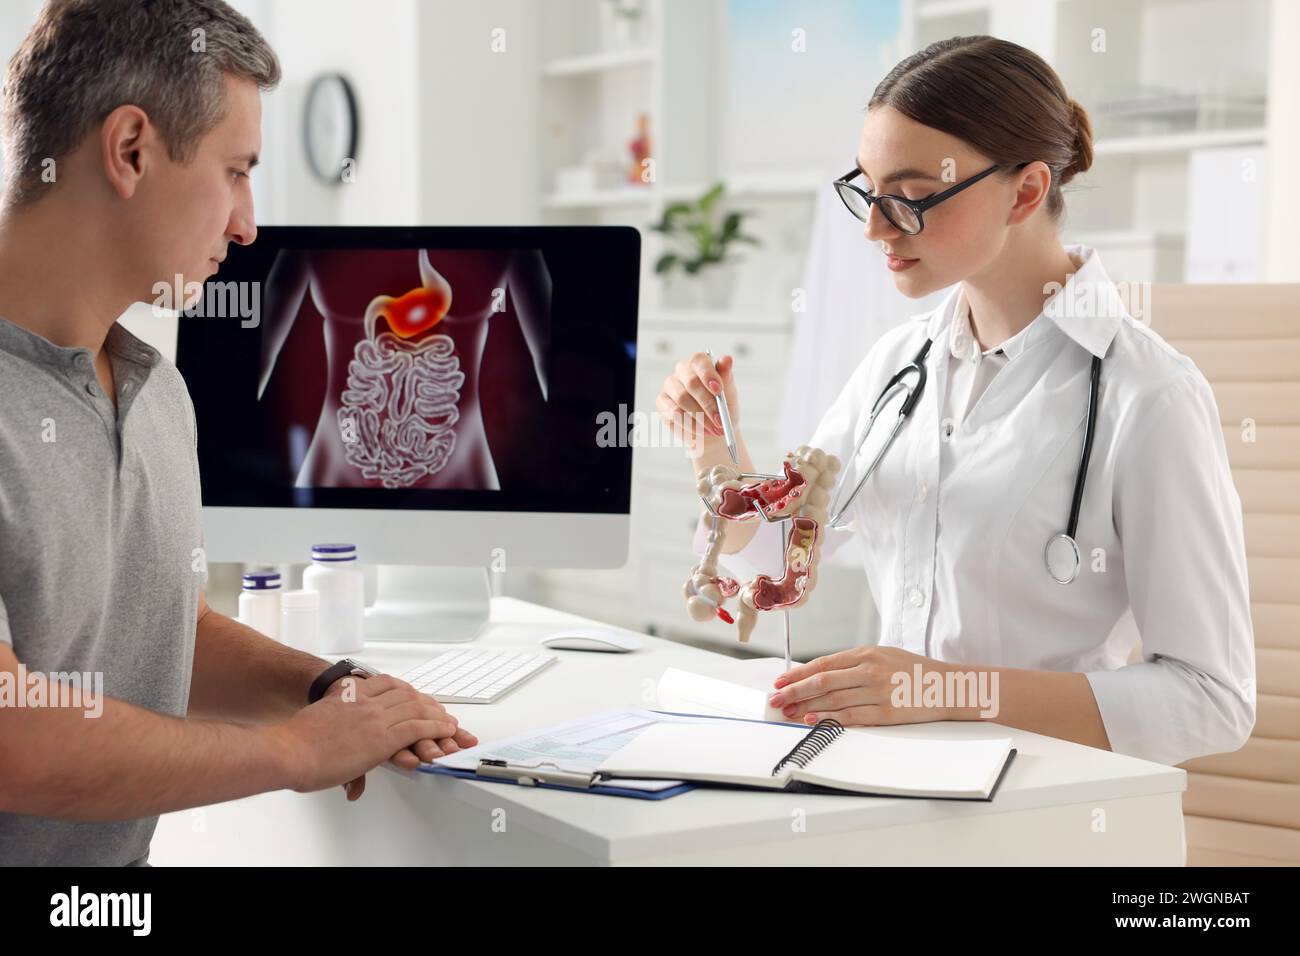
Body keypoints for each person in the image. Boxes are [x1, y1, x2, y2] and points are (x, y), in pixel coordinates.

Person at [658, 36, 1255, 767]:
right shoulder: (897, 365)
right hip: (895, 778)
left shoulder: (1149, 396)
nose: (875, 229)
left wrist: (944, 691)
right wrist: (713, 446)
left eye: (908, 200)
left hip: (1049, 803)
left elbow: (1210, 702)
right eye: (868, 193)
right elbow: (777, 570)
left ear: (1027, 191)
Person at [0, 0, 475, 867]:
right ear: (132, 150)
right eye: (237, 171)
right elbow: (12, 738)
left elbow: (155, 624)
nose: (247, 223)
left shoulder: (158, 393)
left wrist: (326, 689)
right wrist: (294, 753)